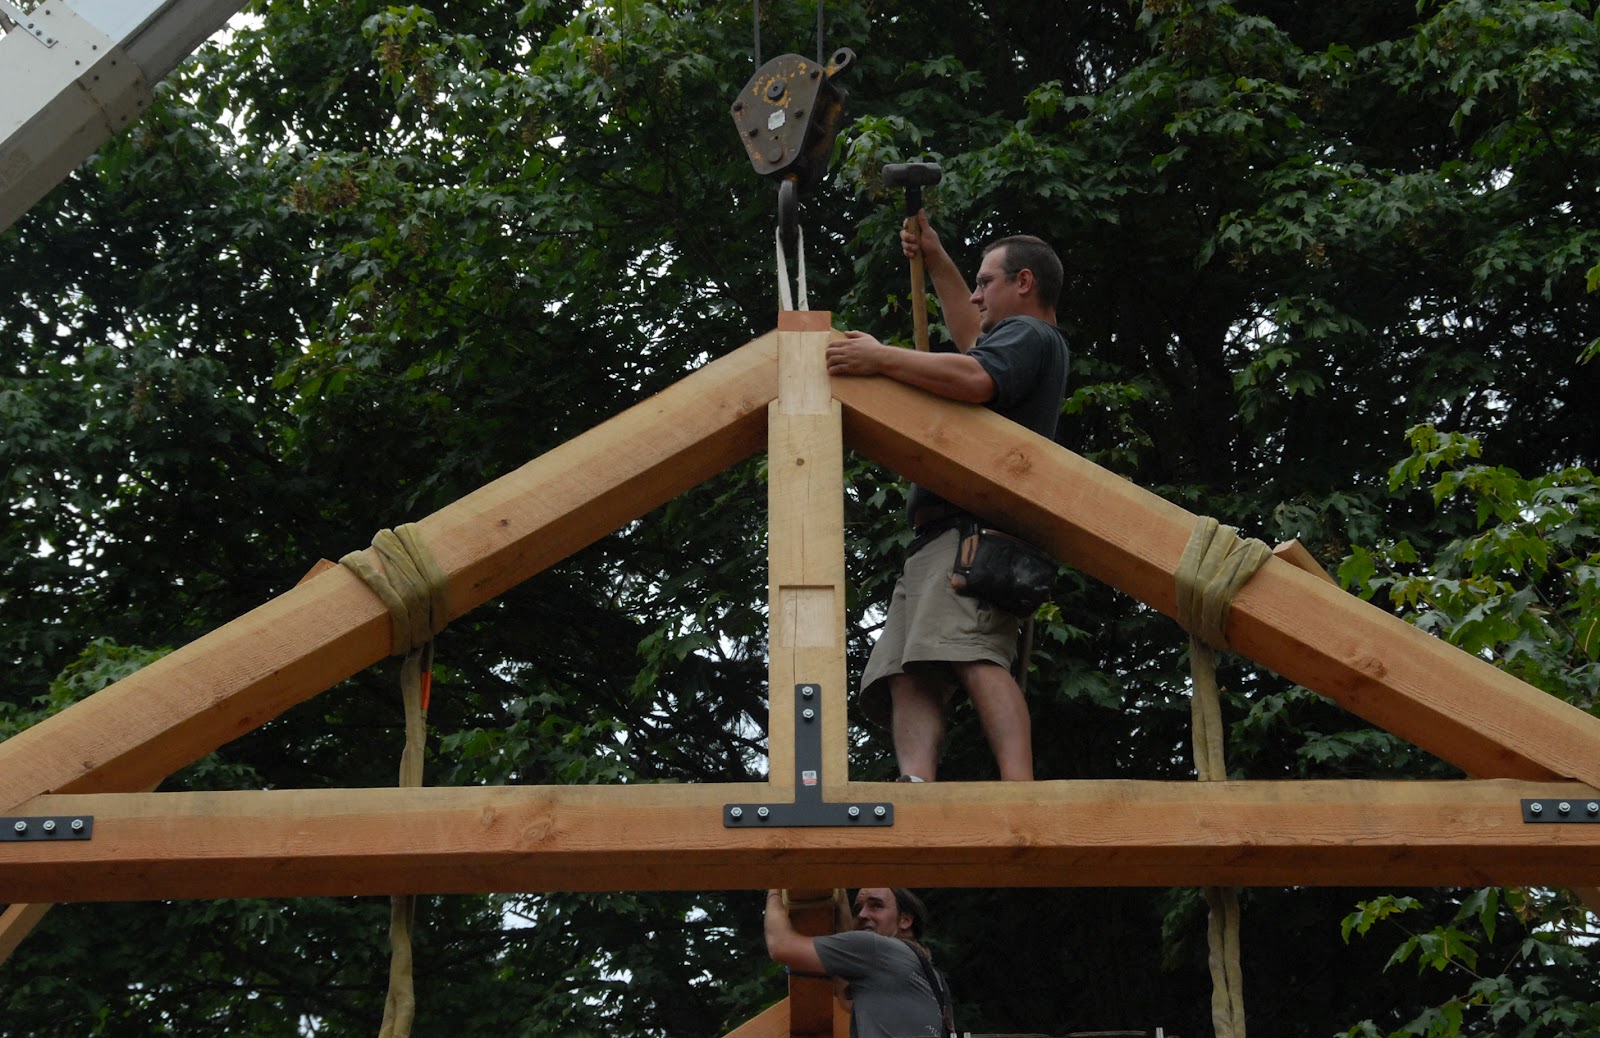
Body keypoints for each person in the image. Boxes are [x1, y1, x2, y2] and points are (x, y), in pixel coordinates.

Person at [824, 212, 1069, 782]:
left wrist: (880, 358)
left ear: (1024, 282)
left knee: (974, 652)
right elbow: (971, 340)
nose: (978, 294)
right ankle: (916, 790)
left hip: (973, 535)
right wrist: (935, 256)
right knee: (909, 671)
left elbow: (976, 377)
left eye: (987, 282)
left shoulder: (1031, 335)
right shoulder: (1017, 340)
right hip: (943, 539)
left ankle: (1019, 793)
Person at [763, 886, 951, 1038]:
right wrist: (841, 901)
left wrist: (775, 888)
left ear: (905, 920)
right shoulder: (933, 980)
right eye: (857, 909)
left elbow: (781, 946)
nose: (861, 915)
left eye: (875, 905)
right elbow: (848, 999)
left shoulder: (877, 949)